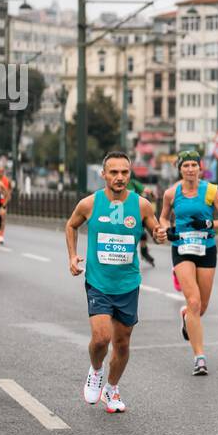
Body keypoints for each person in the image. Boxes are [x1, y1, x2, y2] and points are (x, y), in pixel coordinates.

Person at [64, 150, 168, 413]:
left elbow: (156, 233)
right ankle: (96, 370)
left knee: (122, 343)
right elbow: (71, 226)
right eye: (114, 172)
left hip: (128, 283)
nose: (119, 177)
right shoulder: (89, 203)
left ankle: (111, 389)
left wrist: (160, 233)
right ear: (104, 174)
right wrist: (73, 256)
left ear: (129, 174)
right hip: (99, 281)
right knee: (101, 339)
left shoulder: (142, 205)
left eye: (124, 172)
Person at [160, 150, 218, 376]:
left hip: (206, 249)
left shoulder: (211, 191)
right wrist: (166, 229)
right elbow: (163, 217)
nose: (190, 169)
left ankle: (186, 316)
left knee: (201, 307)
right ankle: (199, 357)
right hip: (182, 249)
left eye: (194, 165)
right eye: (186, 165)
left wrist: (208, 223)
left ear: (200, 167)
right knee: (193, 301)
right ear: (180, 169)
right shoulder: (171, 193)